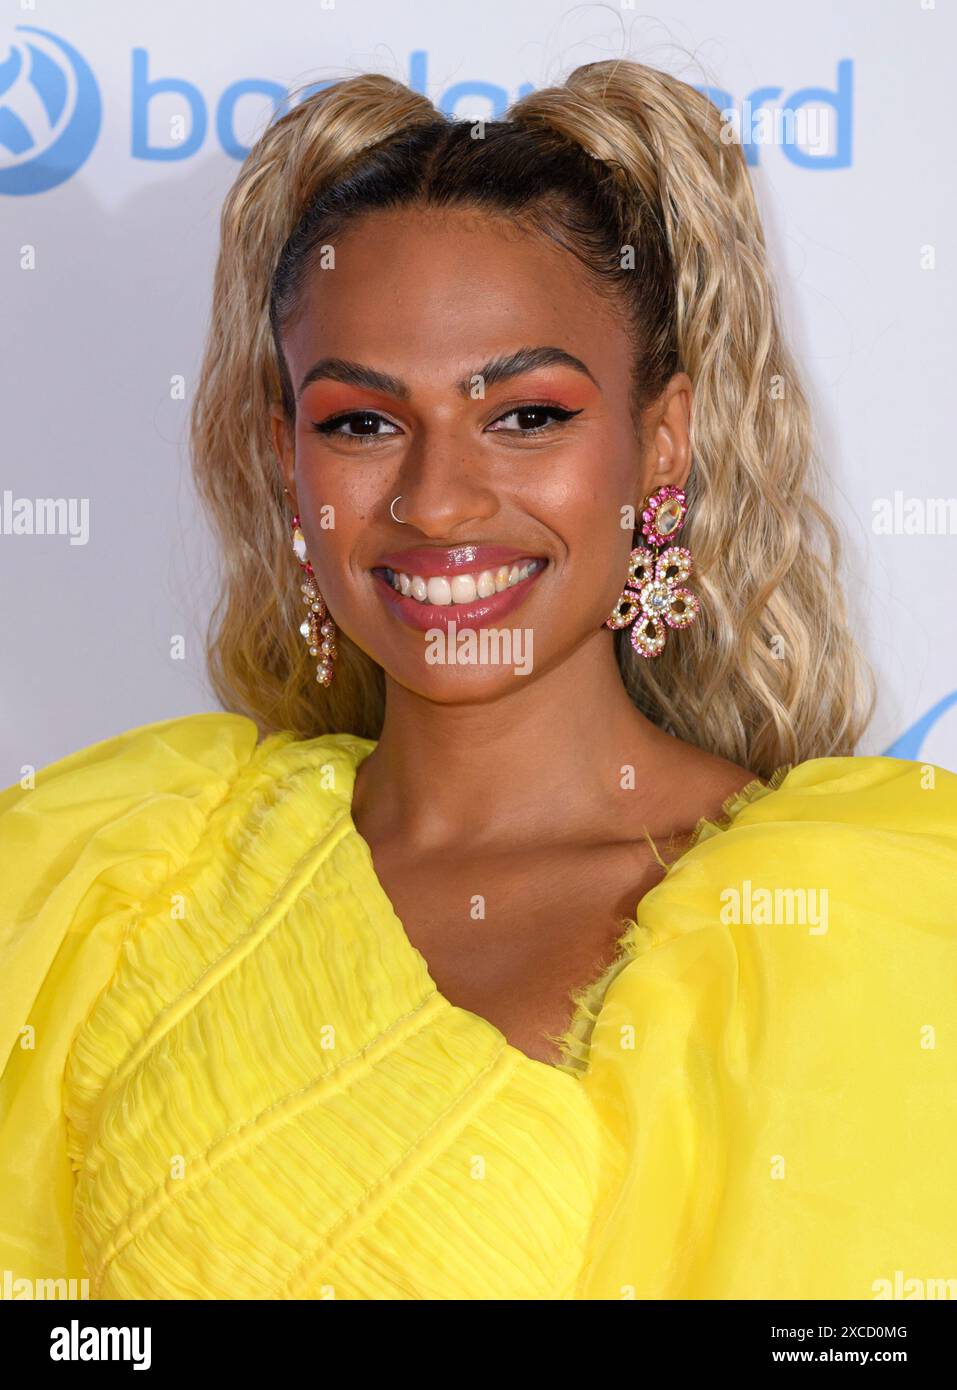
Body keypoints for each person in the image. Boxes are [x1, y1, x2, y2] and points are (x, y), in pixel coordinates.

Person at [2, 60, 955, 1302]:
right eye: (360, 422)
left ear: (659, 442)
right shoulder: (114, 879)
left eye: (526, 415)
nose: (438, 500)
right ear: (283, 456)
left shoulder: (861, 918)